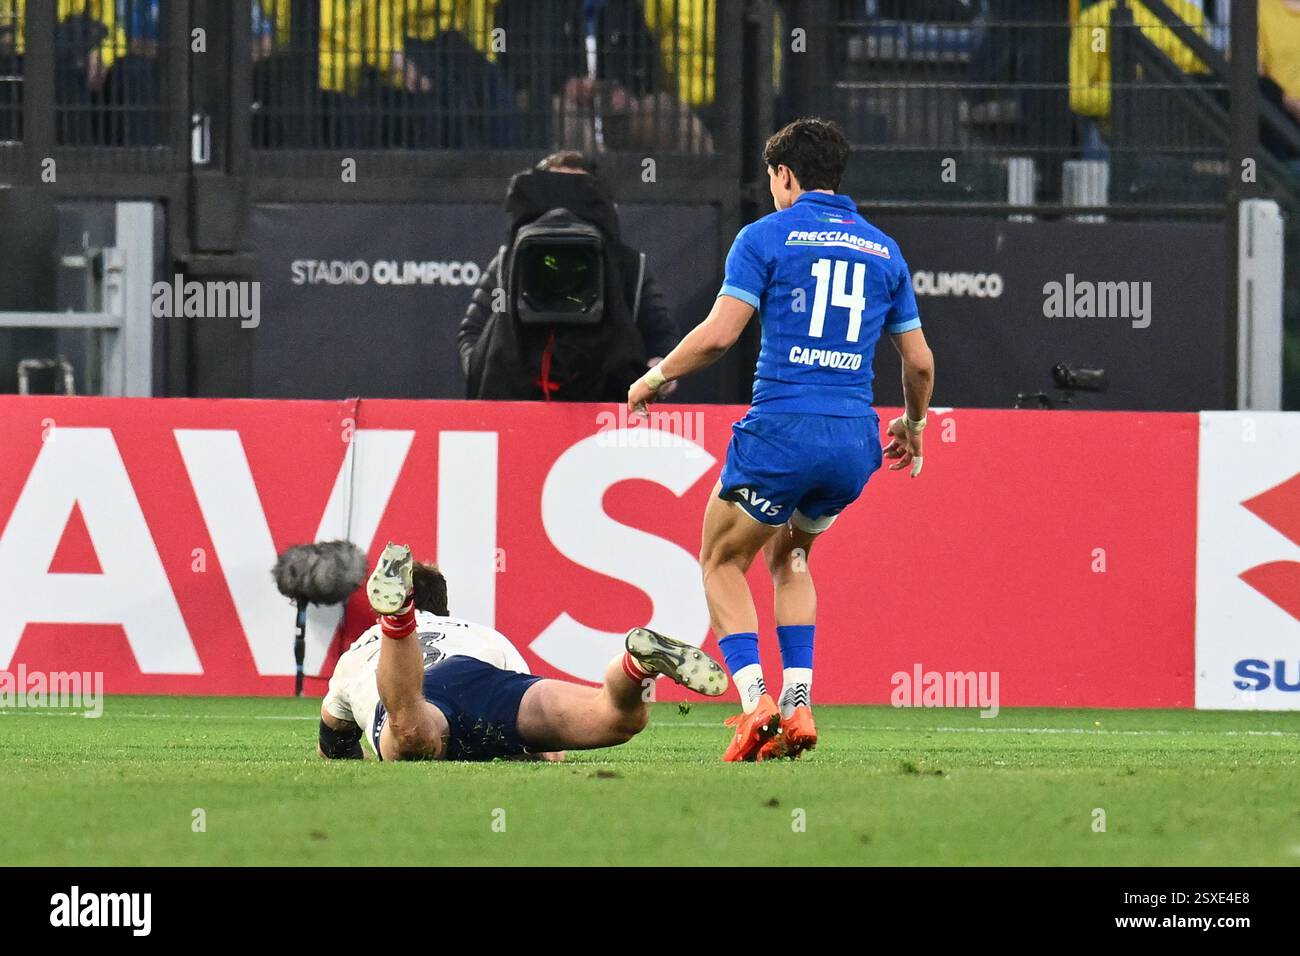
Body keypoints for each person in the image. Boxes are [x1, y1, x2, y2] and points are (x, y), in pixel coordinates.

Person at [626, 118, 935, 762]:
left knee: (720, 561)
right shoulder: (884, 250)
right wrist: (914, 423)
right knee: (791, 559)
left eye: (772, 179)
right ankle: (799, 708)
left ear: (785, 176)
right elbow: (921, 363)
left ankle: (756, 704)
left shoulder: (765, 236)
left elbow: (718, 335)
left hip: (782, 432)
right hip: (853, 443)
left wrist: (657, 375)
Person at [318, 542, 727, 761]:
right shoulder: (478, 632)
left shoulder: (357, 651)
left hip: (418, 691)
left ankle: (397, 622)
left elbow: (332, 742)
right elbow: (543, 744)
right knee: (613, 719)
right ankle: (636, 666)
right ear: (444, 609)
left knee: (411, 738)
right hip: (477, 672)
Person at [458, 151, 680, 401]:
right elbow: (473, 333)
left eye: (577, 195)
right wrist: (485, 371)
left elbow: (662, 337)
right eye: (553, 194)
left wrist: (659, 373)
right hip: (518, 408)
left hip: (607, 414)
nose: (563, 211)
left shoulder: (629, 268)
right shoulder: (507, 264)